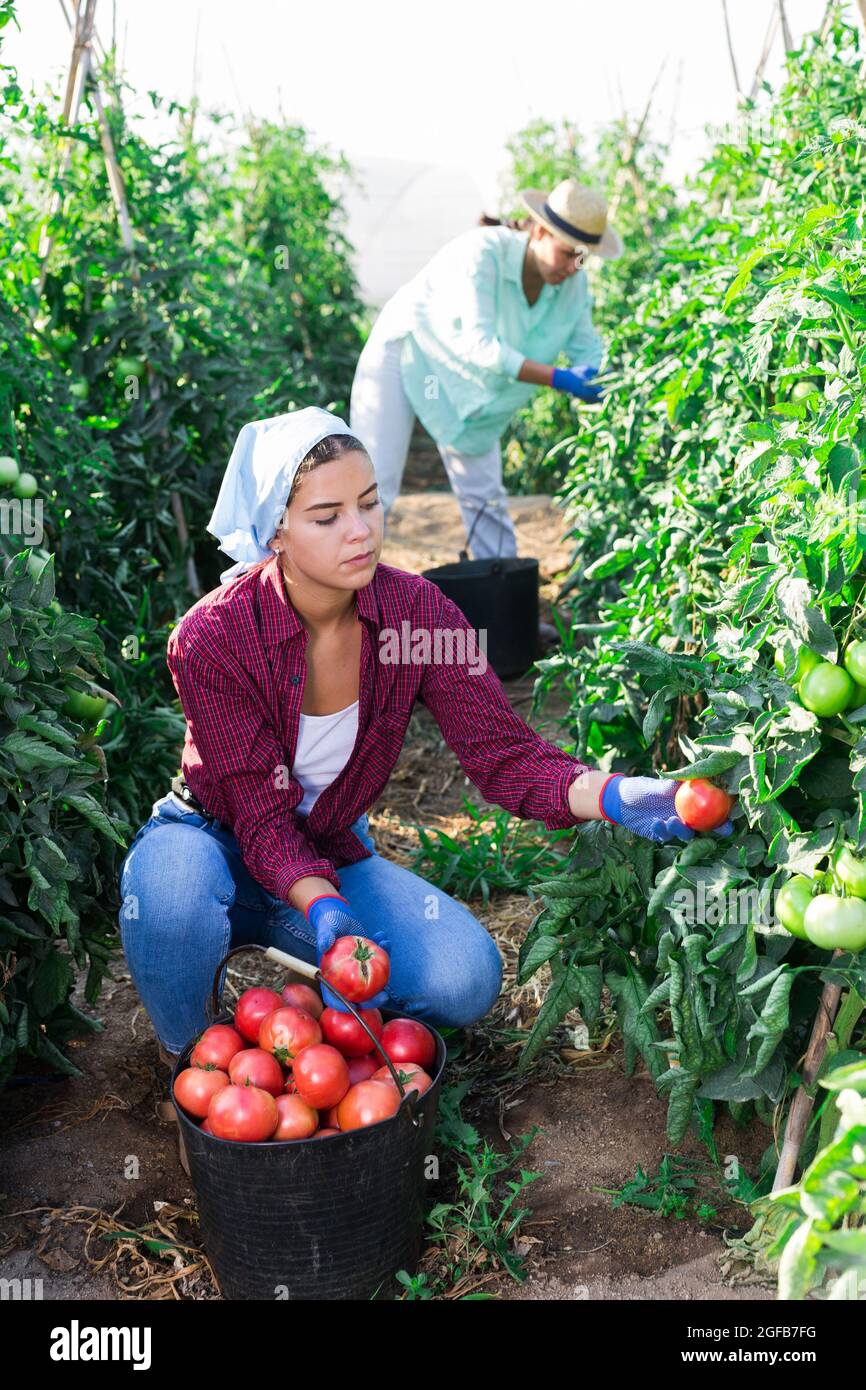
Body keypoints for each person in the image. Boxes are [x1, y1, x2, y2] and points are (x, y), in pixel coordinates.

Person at [117, 409, 731, 1164]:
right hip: (214, 836)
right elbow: (260, 813)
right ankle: (196, 1071)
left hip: (327, 854)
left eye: (370, 503)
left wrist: (615, 794)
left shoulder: (414, 615)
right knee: (173, 892)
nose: (360, 531)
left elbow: (504, 756)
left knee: (466, 977)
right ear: (275, 532)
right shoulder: (213, 638)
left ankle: (302, 979)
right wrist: (330, 910)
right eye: (327, 515)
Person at [349, 179, 623, 561]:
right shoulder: (482, 254)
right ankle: (343, 599)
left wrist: (605, 374)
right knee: (373, 489)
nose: (573, 268)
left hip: (468, 392)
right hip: (409, 351)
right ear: (540, 231)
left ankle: (506, 607)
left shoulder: (572, 286)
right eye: (567, 254)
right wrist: (559, 378)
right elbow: (477, 345)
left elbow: (586, 345)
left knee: (487, 505)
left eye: (583, 258)